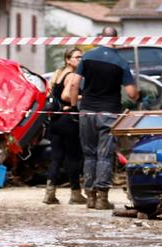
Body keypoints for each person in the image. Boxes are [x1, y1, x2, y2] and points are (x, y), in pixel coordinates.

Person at [73, 28, 139, 211]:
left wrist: (73, 104)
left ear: (100, 38)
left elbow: (74, 83)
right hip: (109, 113)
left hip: (86, 112)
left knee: (89, 154)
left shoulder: (86, 57)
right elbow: (131, 93)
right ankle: (102, 198)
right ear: (116, 40)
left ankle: (90, 197)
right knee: (104, 155)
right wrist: (137, 94)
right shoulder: (120, 61)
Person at [43, 48, 86, 205]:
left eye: (81, 57)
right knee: (73, 157)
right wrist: (83, 96)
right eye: (77, 57)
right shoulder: (72, 75)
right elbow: (66, 96)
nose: (80, 60)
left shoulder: (58, 74)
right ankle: (75, 193)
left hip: (55, 120)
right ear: (68, 60)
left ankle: (50, 193)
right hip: (68, 120)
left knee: (56, 158)